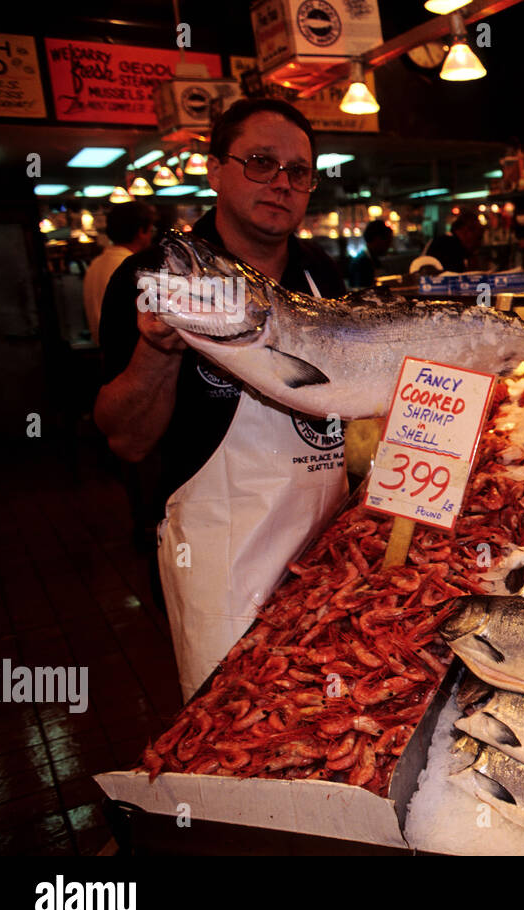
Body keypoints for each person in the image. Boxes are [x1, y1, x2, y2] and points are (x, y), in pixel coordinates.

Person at [94, 97, 348, 697]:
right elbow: (125, 440)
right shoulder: (157, 276)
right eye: (260, 163)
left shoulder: (322, 273)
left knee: (328, 718)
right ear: (214, 169)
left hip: (329, 546)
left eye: (299, 172)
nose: (281, 183)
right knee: (240, 727)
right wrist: (157, 350)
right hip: (221, 557)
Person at [83, 202, 154, 343]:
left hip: (106, 354)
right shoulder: (134, 271)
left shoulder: (95, 264)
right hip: (130, 356)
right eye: (151, 230)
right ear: (142, 231)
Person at [347, 219, 393, 288]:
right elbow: (362, 290)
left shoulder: (372, 258)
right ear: (377, 239)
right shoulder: (362, 262)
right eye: (387, 242)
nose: (389, 246)